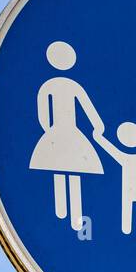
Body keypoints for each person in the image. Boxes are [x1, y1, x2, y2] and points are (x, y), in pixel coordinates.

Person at [29, 40, 104, 231]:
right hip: (64, 132)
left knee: (66, 168)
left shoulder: (53, 85)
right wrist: (98, 126)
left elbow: (43, 113)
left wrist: (48, 129)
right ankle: (65, 214)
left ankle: (69, 214)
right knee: (67, 169)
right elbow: (86, 108)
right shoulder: (59, 85)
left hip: (61, 132)